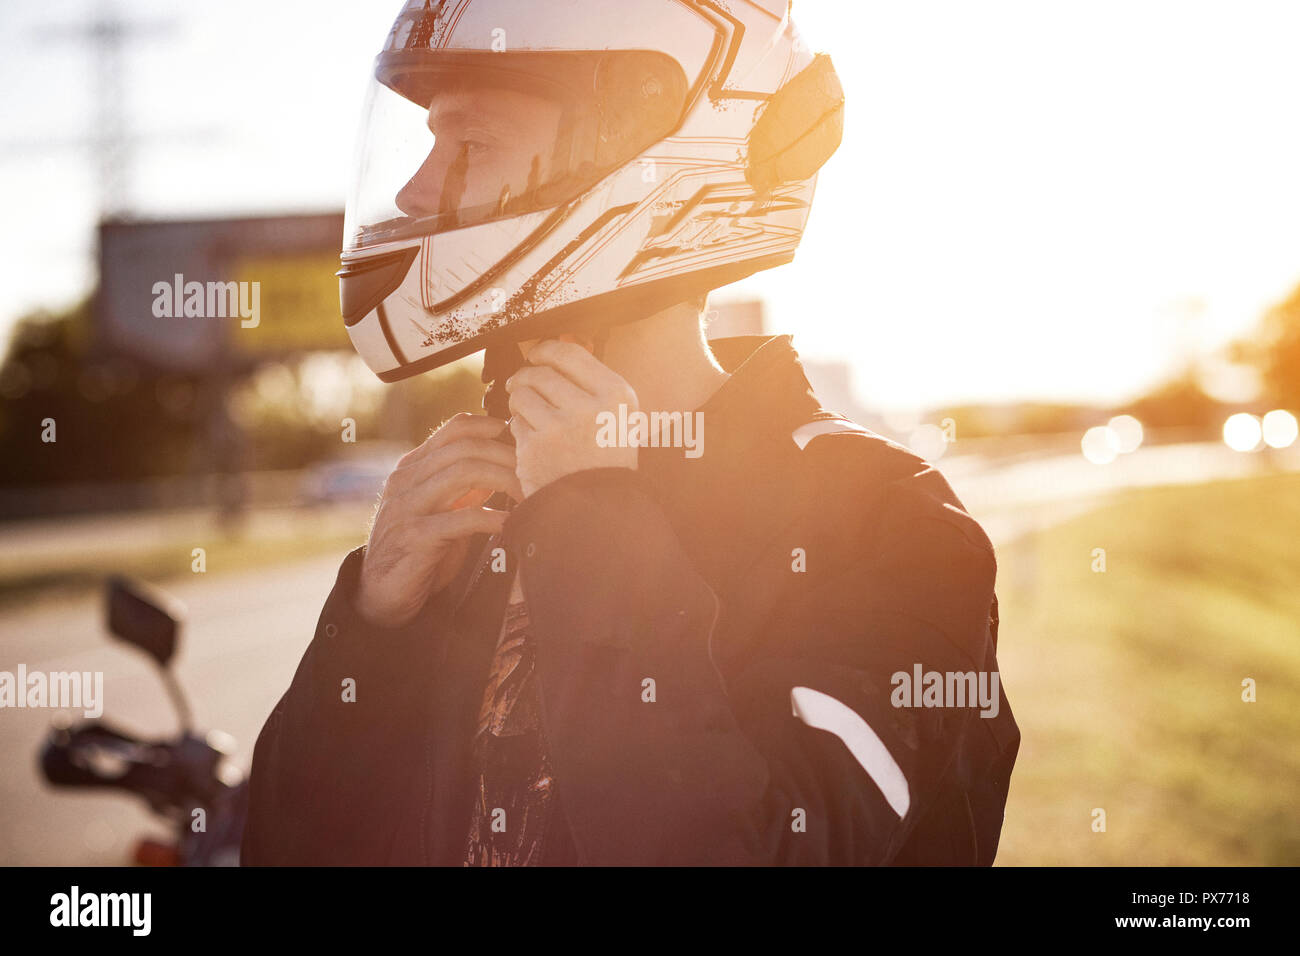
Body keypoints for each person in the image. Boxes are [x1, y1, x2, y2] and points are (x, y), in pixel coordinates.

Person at [242, 0, 1019, 866]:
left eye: (471, 145)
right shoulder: (478, 508)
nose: (416, 191)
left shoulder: (885, 522)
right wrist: (376, 631)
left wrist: (592, 522)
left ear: (631, 157)